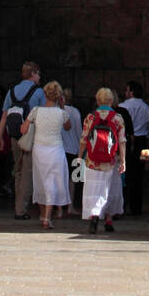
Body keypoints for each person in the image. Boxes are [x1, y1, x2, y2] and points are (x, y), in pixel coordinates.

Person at [0, 61, 46, 219]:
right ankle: (21, 209)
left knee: (17, 171)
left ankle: (18, 205)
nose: (39, 77)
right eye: (38, 74)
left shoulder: (11, 91)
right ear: (33, 73)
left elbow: (4, 115)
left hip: (14, 136)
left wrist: (0, 136)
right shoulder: (38, 93)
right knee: (28, 172)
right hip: (30, 137)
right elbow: (44, 115)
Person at [20, 80, 72, 229]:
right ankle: (47, 217)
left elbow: (23, 130)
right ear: (59, 96)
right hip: (56, 149)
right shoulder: (62, 113)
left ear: (45, 94)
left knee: (41, 181)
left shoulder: (36, 111)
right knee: (53, 181)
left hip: (39, 149)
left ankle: (44, 215)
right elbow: (68, 127)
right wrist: (62, 107)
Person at [78, 88, 126, 234]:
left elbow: (84, 140)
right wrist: (123, 161)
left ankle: (94, 216)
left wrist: (79, 157)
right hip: (110, 161)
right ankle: (109, 220)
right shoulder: (117, 118)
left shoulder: (90, 117)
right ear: (111, 101)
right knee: (110, 189)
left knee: (93, 189)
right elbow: (122, 141)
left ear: (97, 101)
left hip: (92, 161)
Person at [121, 81, 149, 215]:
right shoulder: (147, 108)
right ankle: (136, 207)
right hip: (141, 140)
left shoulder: (123, 107)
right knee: (138, 175)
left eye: (127, 90)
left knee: (124, 173)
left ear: (131, 92)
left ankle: (122, 204)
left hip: (127, 139)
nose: (125, 93)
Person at [60, 87, 83, 216]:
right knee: (74, 179)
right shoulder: (75, 111)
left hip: (60, 149)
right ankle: (70, 206)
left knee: (60, 178)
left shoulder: (57, 111)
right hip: (74, 149)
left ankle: (58, 208)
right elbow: (80, 132)